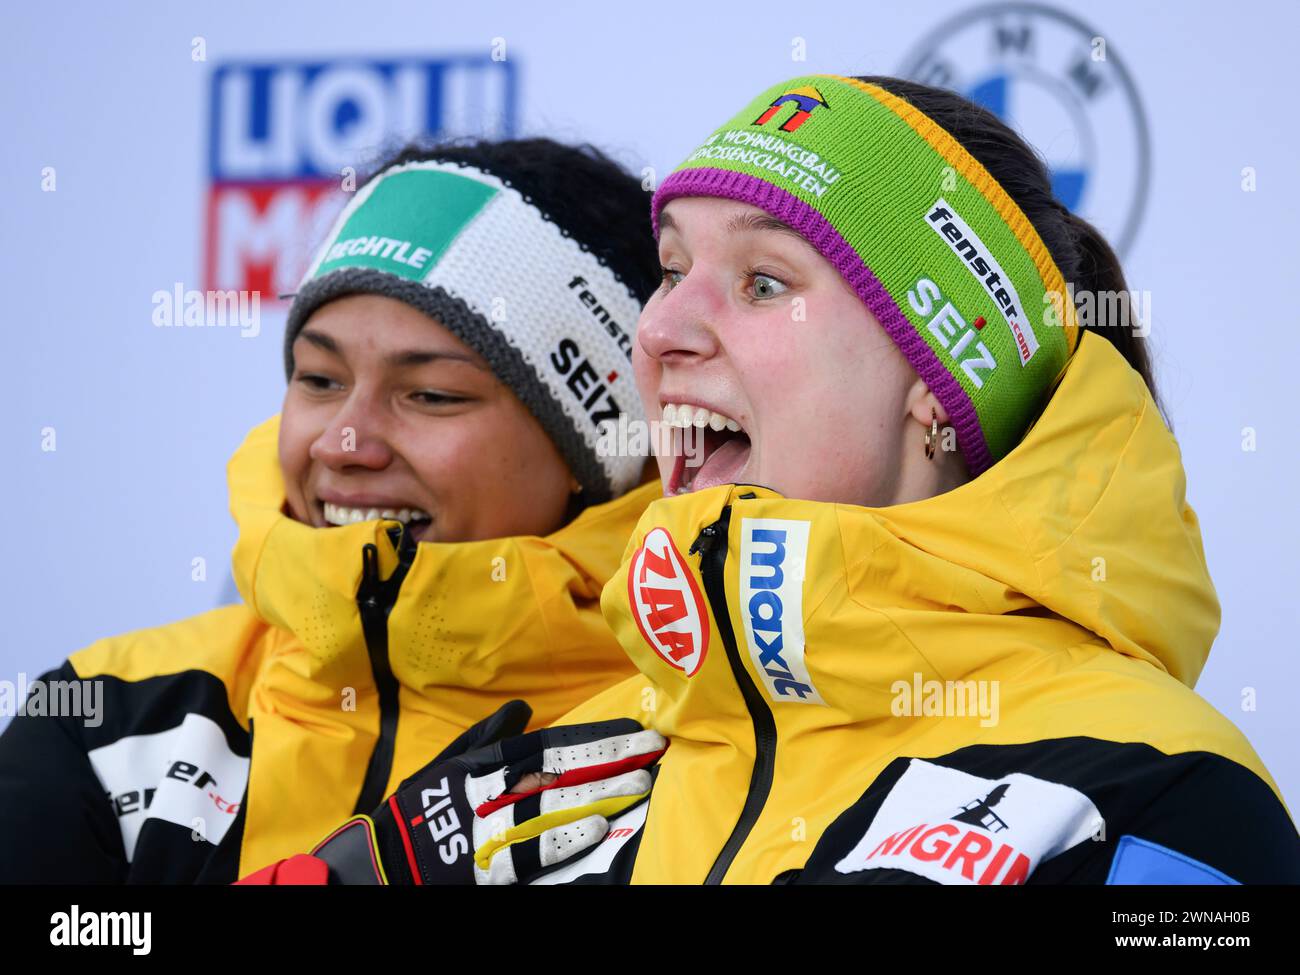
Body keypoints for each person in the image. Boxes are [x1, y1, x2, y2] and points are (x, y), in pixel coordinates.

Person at [240, 74, 1300, 887]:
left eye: (760, 282)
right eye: (667, 272)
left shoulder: (1150, 790)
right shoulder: (541, 783)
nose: (659, 331)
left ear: (937, 383)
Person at [0, 137, 666, 883]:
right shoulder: (110, 715)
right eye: (319, 378)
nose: (345, 442)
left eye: (432, 394)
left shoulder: (693, 735)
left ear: (594, 457)